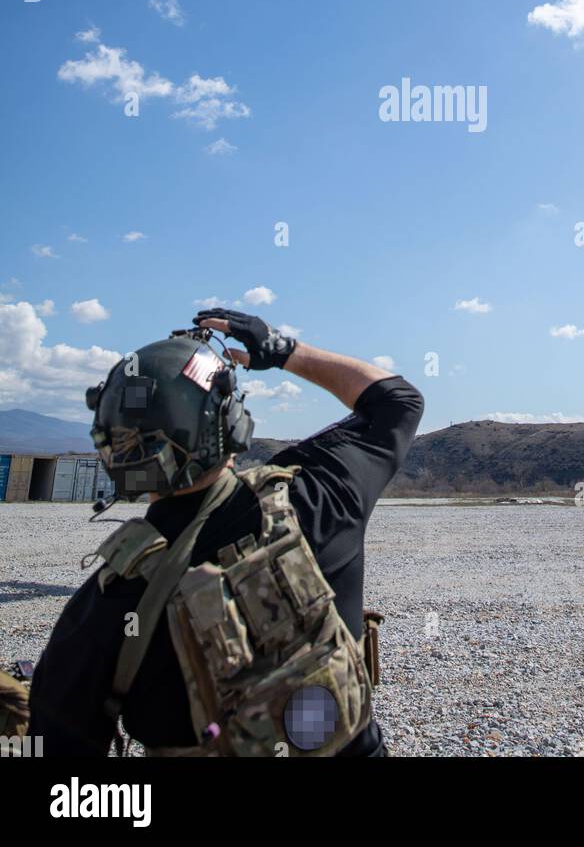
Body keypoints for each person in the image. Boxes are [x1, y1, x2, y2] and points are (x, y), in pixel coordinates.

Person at [27, 309, 424, 757]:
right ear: (231, 424)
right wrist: (282, 350)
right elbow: (398, 401)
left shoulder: (103, 608)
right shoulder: (318, 499)